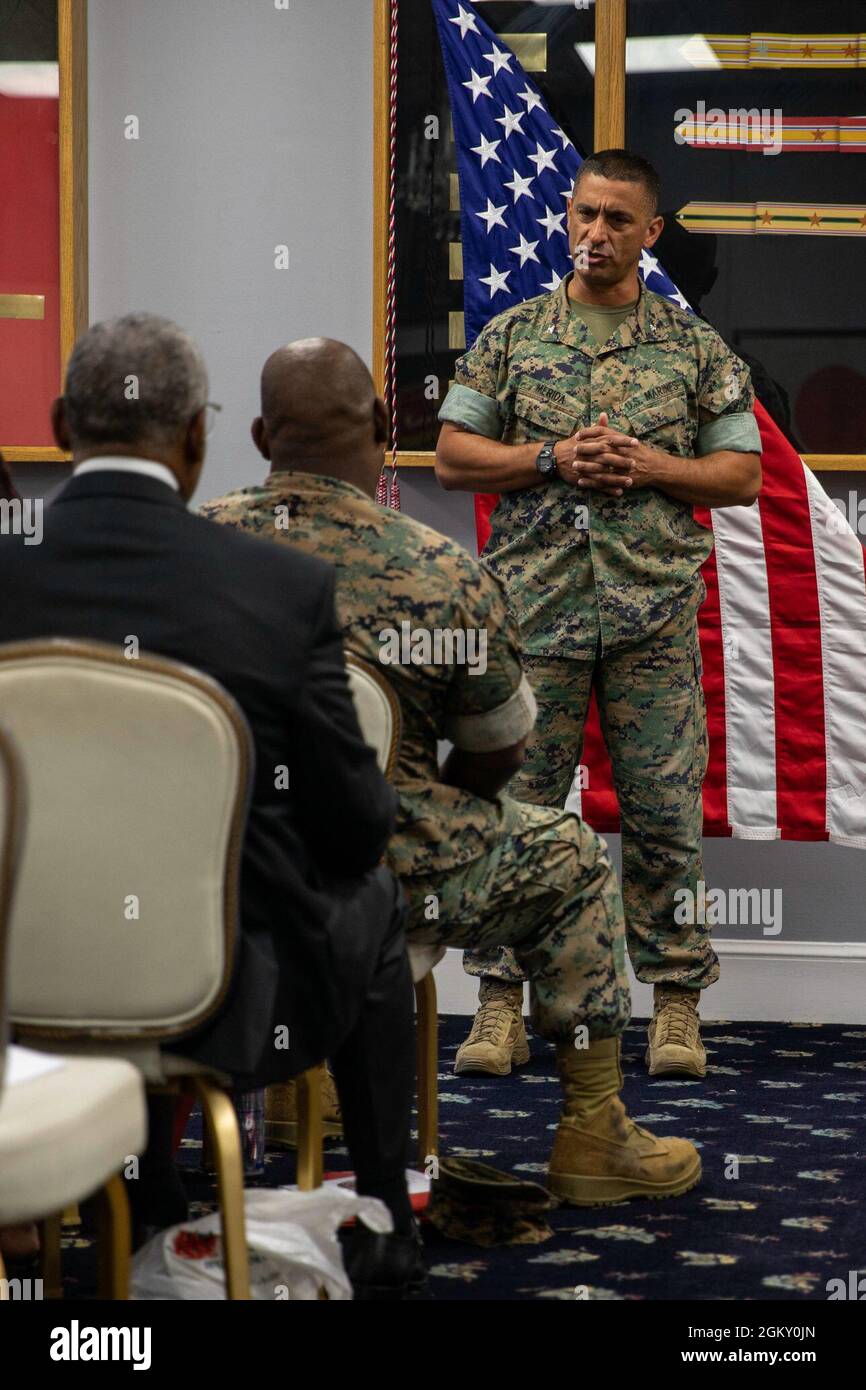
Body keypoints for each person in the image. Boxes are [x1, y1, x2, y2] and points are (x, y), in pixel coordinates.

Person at [199, 336, 702, 1208]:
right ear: (386, 428)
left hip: (212, 880)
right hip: (391, 873)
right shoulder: (440, 574)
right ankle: (592, 1133)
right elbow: (501, 747)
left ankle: (293, 1089)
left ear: (256, 433)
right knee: (573, 856)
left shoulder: (195, 555)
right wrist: (446, 806)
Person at [0, 315, 420, 1298]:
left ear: (62, 422)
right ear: (197, 438)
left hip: (18, 995)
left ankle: (141, 1199)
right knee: (377, 899)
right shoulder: (279, 589)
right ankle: (388, 1216)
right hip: (226, 1002)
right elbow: (354, 828)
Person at [435, 150, 762, 1081]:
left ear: (650, 233)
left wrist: (651, 467)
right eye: (585, 214)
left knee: (663, 818)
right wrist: (550, 459)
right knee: (518, 814)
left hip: (651, 617)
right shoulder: (512, 335)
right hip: (536, 615)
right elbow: (455, 456)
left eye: (619, 219)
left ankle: (675, 1008)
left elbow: (742, 474)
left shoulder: (694, 350)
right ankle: (497, 1004)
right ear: (567, 217)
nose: (597, 233)